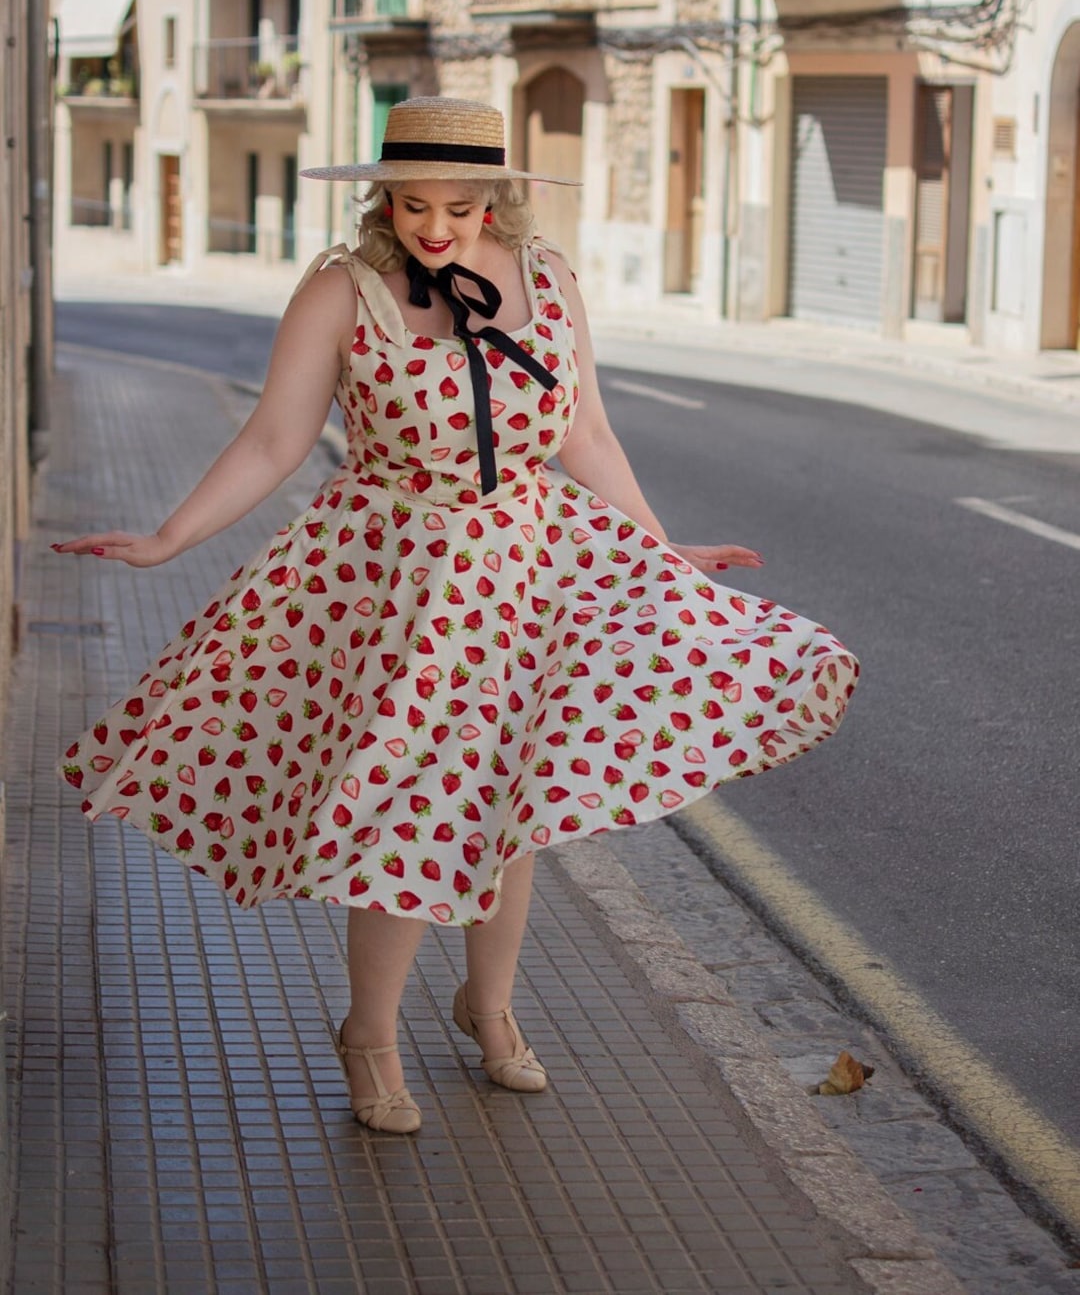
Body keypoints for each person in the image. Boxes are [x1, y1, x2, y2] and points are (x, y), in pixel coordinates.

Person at [55, 95, 858, 1135]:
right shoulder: (342, 293)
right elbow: (271, 441)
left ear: (499, 199)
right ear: (384, 197)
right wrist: (168, 538)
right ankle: (371, 1034)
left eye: (464, 205)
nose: (438, 226)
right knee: (409, 808)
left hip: (528, 568)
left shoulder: (552, 280)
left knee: (505, 802)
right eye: (415, 202)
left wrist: (663, 551)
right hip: (393, 578)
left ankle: (487, 1002)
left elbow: (590, 436)